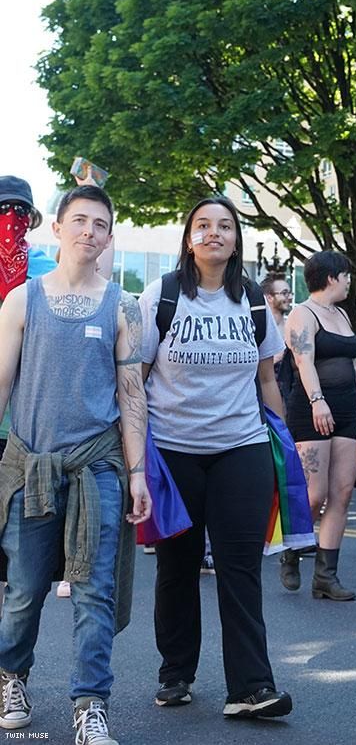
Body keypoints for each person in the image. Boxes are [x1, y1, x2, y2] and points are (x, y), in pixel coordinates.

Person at [0, 184, 151, 745]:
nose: (89, 231)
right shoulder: (21, 300)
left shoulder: (124, 306)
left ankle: (91, 704)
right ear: (57, 229)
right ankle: (10, 674)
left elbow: (131, 392)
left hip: (99, 468)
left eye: (100, 224)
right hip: (31, 467)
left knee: (95, 591)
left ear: (110, 237)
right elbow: (1, 383)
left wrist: (138, 473)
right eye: (79, 220)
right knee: (24, 589)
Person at [139, 196, 292, 716]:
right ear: (188, 238)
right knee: (177, 567)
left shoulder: (251, 300)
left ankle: (250, 687)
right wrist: (132, 456)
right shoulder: (160, 297)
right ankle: (176, 674)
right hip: (173, 451)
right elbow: (134, 380)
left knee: (240, 568)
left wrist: (286, 452)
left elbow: (267, 379)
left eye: (224, 226)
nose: (213, 233)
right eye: (202, 225)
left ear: (235, 239)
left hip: (241, 448)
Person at [279, 250, 356, 601]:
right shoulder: (302, 313)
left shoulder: (342, 314)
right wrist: (317, 401)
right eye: (346, 275)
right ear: (331, 277)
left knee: (341, 494)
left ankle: (325, 577)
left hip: (346, 410)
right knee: (315, 494)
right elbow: (304, 360)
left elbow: (355, 366)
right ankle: (292, 550)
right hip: (313, 409)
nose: (349, 281)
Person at [0, 176, 56, 461]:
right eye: (3, 209)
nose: (11, 217)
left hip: (26, 421)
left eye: (20, 210)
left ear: (31, 219)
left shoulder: (45, 267)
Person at [261, 272, 293, 366]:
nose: (290, 297)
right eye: (285, 293)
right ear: (269, 297)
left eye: (290, 293)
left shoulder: (292, 326)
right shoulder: (259, 327)